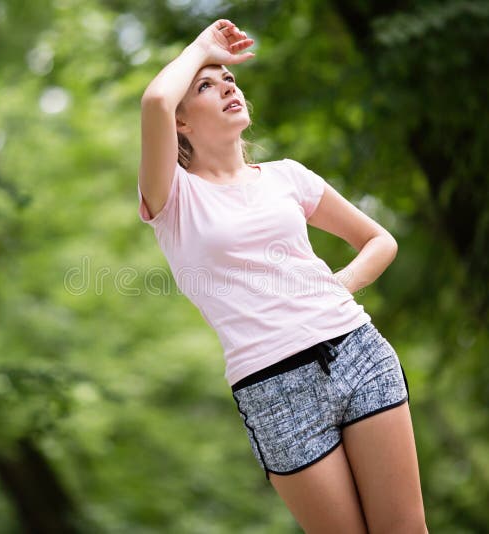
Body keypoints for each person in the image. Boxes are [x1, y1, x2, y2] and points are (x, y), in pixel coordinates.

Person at [137, 18, 428, 533]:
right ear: (182, 123)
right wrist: (204, 47)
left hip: (356, 352)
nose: (228, 84)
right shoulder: (174, 199)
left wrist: (338, 286)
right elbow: (156, 101)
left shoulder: (287, 177)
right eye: (207, 85)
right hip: (272, 388)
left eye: (229, 79)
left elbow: (380, 240)